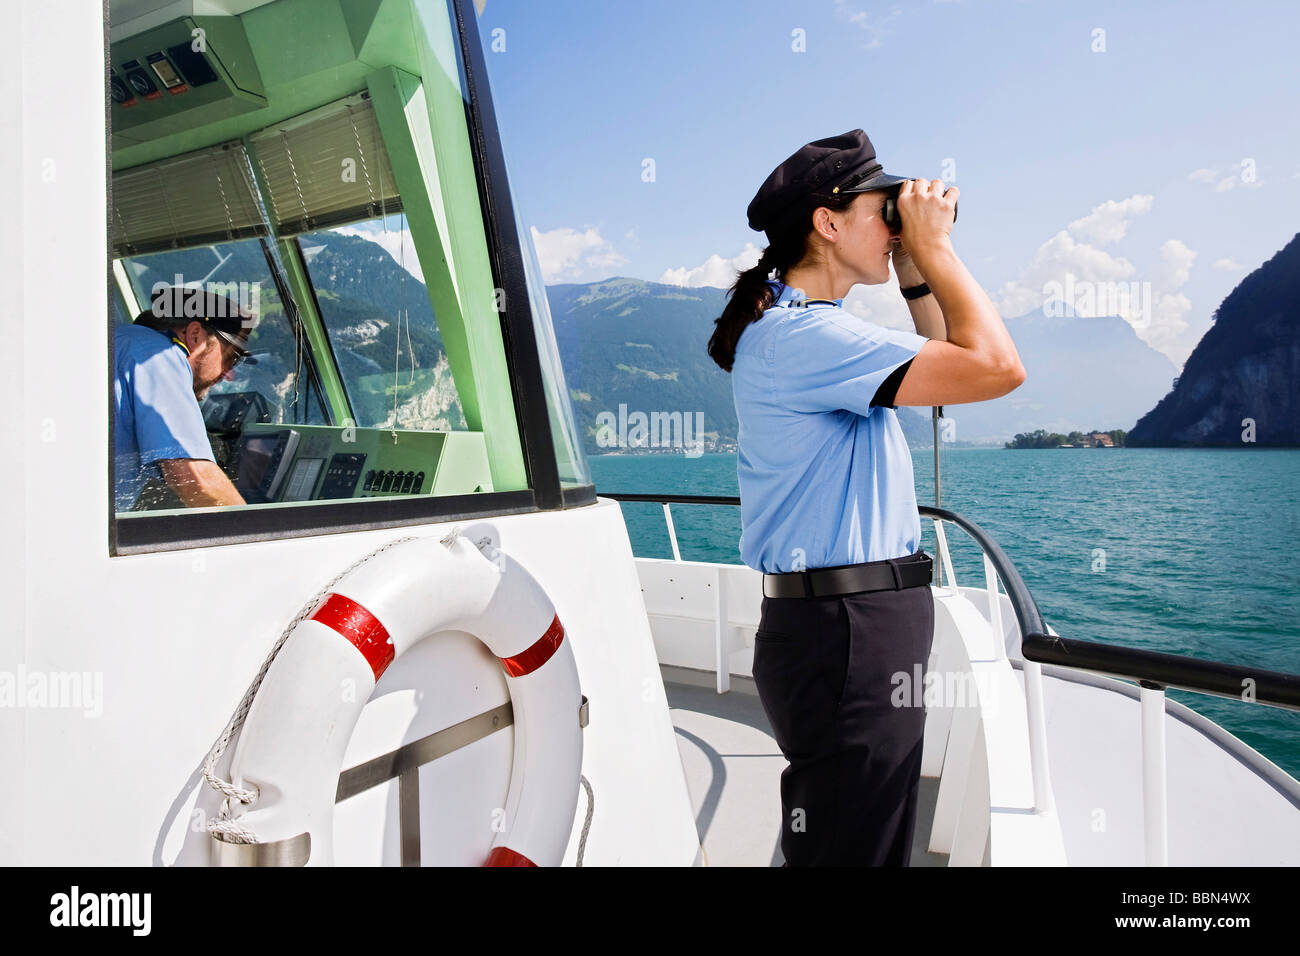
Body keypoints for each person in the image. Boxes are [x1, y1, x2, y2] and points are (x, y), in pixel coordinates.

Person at [707, 129, 1025, 866]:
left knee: (852, 838)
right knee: (858, 848)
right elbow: (996, 369)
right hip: (850, 630)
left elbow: (947, 356)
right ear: (827, 223)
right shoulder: (806, 340)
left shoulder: (798, 333)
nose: (896, 227)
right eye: (885, 213)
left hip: (844, 625)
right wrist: (939, 251)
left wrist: (913, 265)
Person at [113, 286, 257, 511]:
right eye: (232, 357)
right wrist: (259, 530)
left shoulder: (122, 340)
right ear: (195, 335)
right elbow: (195, 480)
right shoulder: (161, 357)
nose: (230, 374)